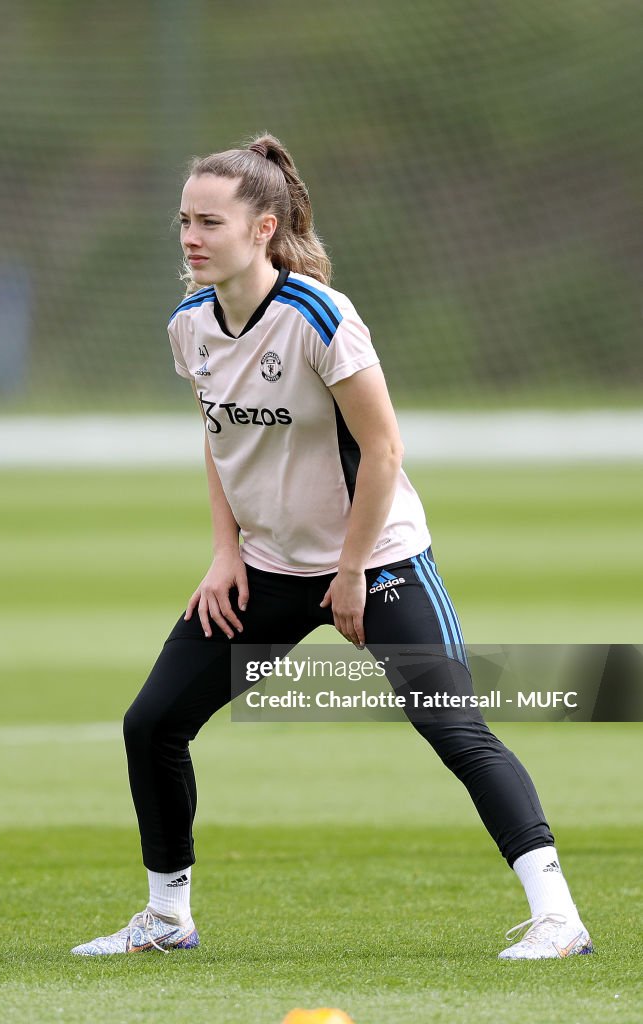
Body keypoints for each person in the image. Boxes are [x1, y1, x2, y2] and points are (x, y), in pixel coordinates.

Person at [71, 134, 593, 960]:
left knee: (453, 727)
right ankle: (167, 919)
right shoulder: (188, 327)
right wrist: (224, 549)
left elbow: (382, 450)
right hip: (268, 570)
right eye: (183, 220)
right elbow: (218, 440)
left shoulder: (319, 315)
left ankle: (558, 919)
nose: (190, 236)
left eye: (209, 221)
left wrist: (351, 572)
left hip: (376, 561)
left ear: (263, 227)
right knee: (153, 724)